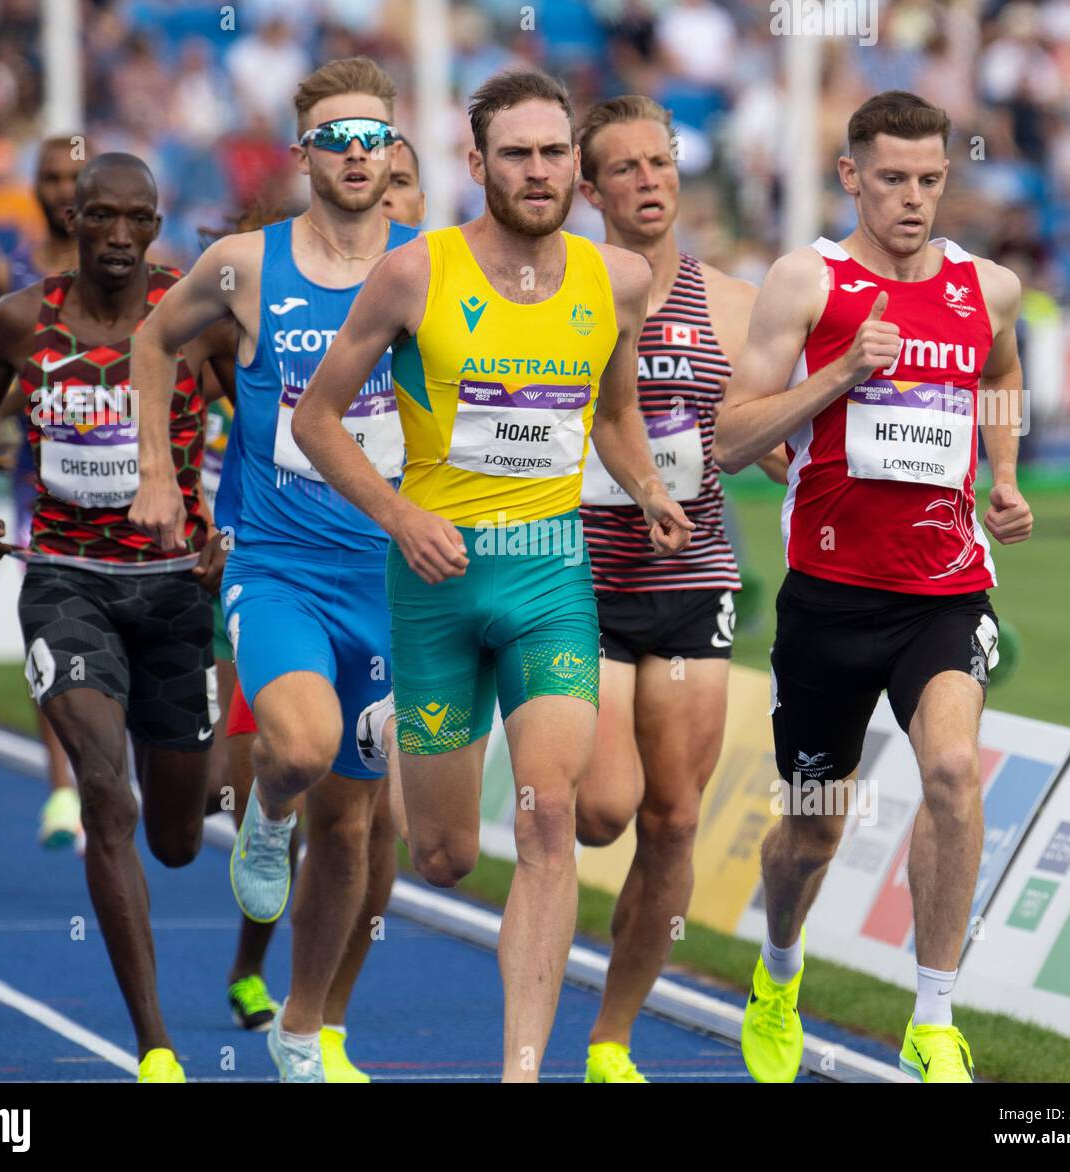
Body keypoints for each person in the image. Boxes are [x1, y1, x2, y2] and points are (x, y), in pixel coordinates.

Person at [295, 67, 692, 1083]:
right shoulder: (413, 272)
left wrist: (644, 485)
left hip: (550, 576)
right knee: (444, 855)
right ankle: (378, 765)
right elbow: (315, 418)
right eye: (514, 153)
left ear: (575, 164)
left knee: (550, 811)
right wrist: (399, 513)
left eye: (554, 151)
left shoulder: (617, 280)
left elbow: (610, 412)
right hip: (432, 583)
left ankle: (521, 1067)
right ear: (477, 164)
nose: (537, 170)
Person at [714, 91, 1034, 1083]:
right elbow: (729, 439)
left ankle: (932, 1016)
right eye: (891, 178)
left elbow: (1002, 373)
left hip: (942, 593)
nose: (912, 198)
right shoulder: (805, 280)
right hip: (826, 601)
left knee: (950, 771)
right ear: (850, 174)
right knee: (809, 827)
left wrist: (1006, 473)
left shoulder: (989, 288)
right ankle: (778, 972)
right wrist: (843, 371)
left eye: (931, 179)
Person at [130, 57, 416, 1083]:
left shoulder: (430, 267)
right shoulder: (246, 266)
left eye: (370, 138)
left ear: (393, 151)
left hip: (390, 582)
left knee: (355, 825)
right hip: (280, 564)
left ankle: (302, 1028)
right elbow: (152, 344)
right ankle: (267, 805)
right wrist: (161, 473)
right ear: (303, 155)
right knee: (299, 746)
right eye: (334, 139)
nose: (354, 155)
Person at [0, 153, 234, 1083]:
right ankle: (155, 1046)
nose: (115, 236)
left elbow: (266, 429)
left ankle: (258, 793)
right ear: (73, 221)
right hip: (65, 580)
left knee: (179, 840)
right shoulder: (20, 320)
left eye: (133, 220)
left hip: (176, 588)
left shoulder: (193, 317)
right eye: (97, 218)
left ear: (156, 227)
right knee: (107, 795)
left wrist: (231, 529)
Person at [571, 95, 787, 1082]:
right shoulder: (560, 295)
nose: (648, 183)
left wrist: (788, 451)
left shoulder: (735, 304)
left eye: (659, 163)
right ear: (590, 189)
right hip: (581, 577)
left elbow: (761, 433)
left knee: (673, 820)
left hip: (696, 573)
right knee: (604, 811)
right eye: (624, 168)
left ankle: (611, 1036)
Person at [0, 135, 88, 850]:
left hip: (117, 479)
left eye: (73, 178)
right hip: (37, 486)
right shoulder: (9, 271)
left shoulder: (120, 269)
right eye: (49, 178)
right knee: (49, 629)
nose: (60, 191)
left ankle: (106, 765)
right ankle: (61, 790)